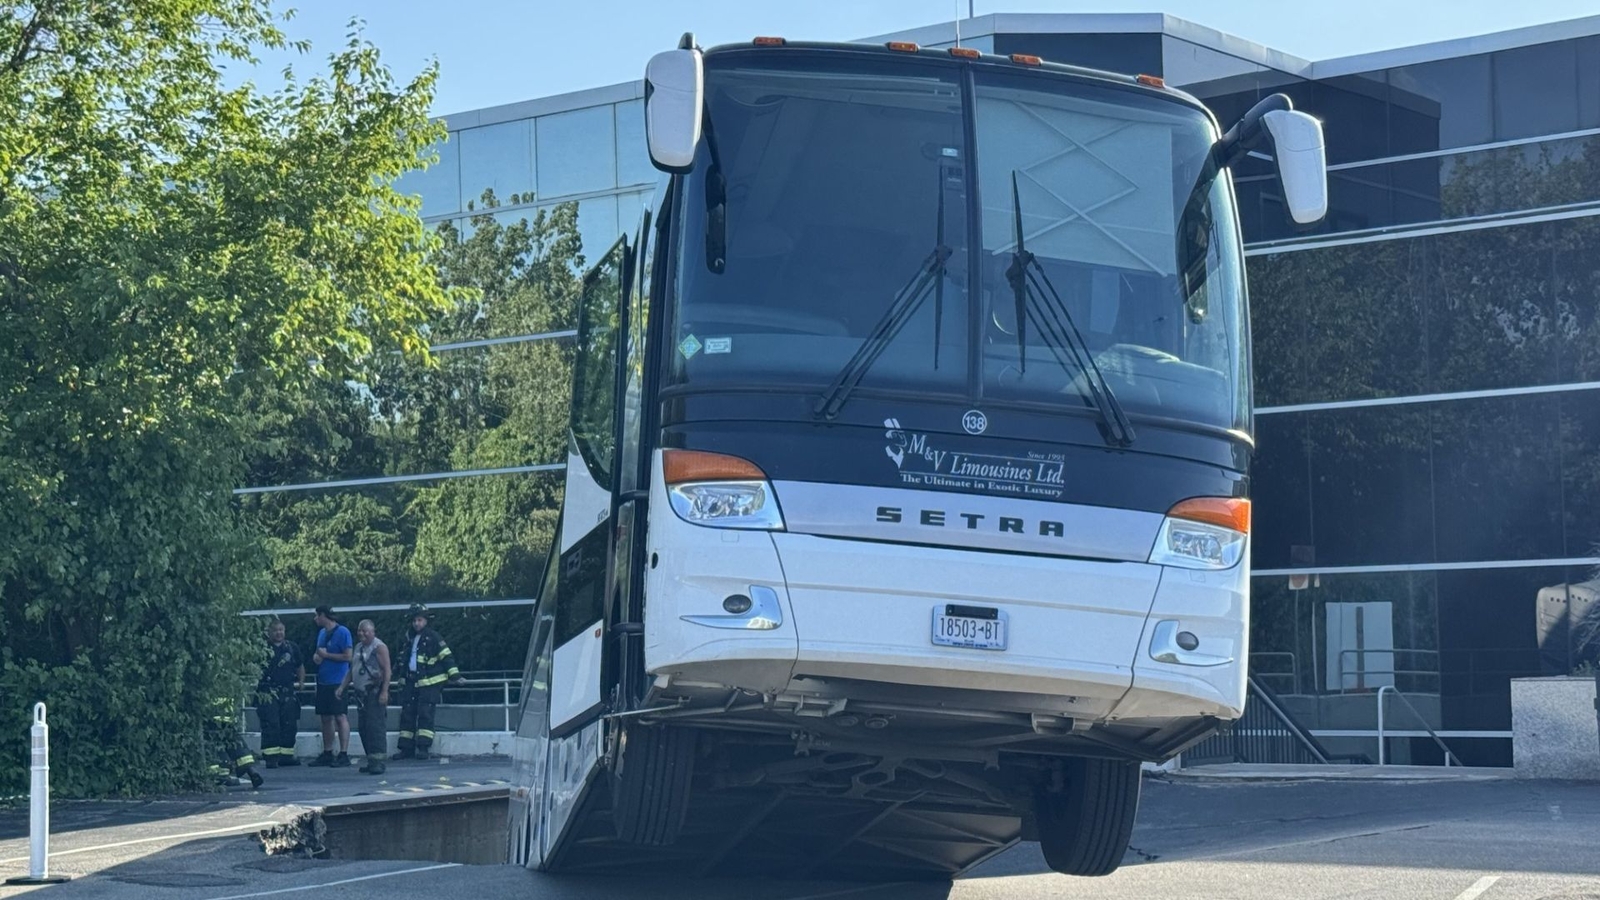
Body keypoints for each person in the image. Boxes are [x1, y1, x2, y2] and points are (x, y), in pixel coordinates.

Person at [394, 603, 461, 761]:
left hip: (429, 684)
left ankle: (423, 748)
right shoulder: (409, 638)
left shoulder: (434, 637)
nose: (416, 623)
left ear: (426, 621)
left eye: (419, 620)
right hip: (411, 682)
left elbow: (446, 657)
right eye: (414, 620)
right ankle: (406, 748)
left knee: (425, 715)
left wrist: (456, 676)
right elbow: (403, 659)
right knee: (407, 715)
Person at [339, 619, 391, 775]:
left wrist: (384, 691)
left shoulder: (379, 647)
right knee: (364, 729)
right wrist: (342, 687)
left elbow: (387, 670)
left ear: (373, 632)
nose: (362, 633)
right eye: (360, 630)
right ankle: (371, 760)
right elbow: (352, 670)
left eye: (365, 631)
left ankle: (378, 762)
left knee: (375, 728)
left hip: (374, 694)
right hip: (361, 696)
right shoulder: (359, 647)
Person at [255, 620, 305, 768]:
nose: (279, 633)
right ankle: (271, 758)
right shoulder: (262, 649)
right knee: (271, 724)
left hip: (288, 692)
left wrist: (301, 682)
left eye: (281, 630)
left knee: (289, 724)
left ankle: (286, 756)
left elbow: (300, 665)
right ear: (269, 633)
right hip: (268, 692)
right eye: (275, 630)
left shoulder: (291, 647)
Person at [309, 605, 353, 767]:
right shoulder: (321, 633)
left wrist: (327, 655)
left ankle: (343, 753)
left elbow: (348, 656)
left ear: (323, 616)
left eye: (317, 616)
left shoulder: (343, 632)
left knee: (340, 715)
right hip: (323, 680)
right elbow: (319, 653)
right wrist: (317, 658)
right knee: (325, 717)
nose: (315, 619)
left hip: (338, 680)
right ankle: (328, 752)